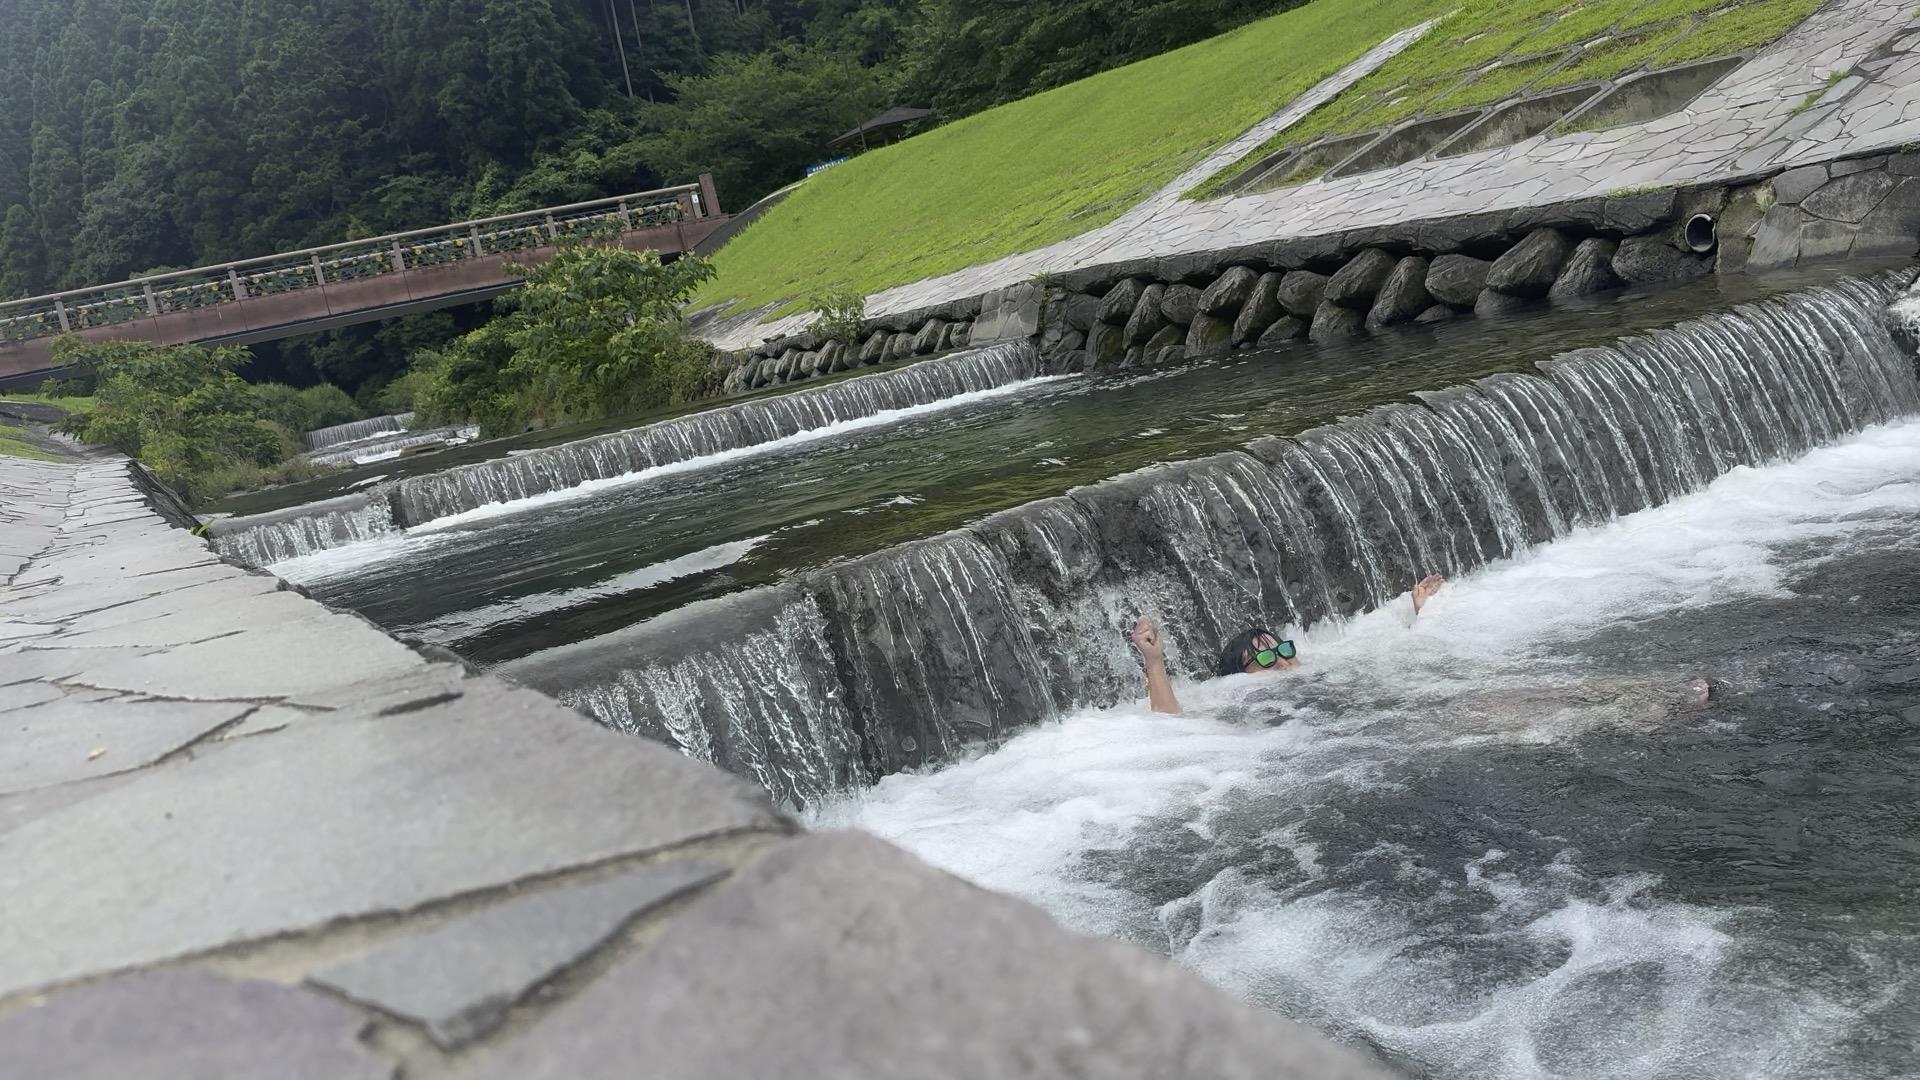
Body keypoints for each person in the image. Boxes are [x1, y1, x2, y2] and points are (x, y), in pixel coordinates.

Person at [1130, 574, 1446, 716]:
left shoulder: (1324, 664)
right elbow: (1170, 721)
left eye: (1283, 651)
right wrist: (1155, 662)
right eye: (1266, 658)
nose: (1282, 662)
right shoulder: (1233, 694)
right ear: (1240, 674)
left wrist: (1422, 611)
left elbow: (1393, 652)